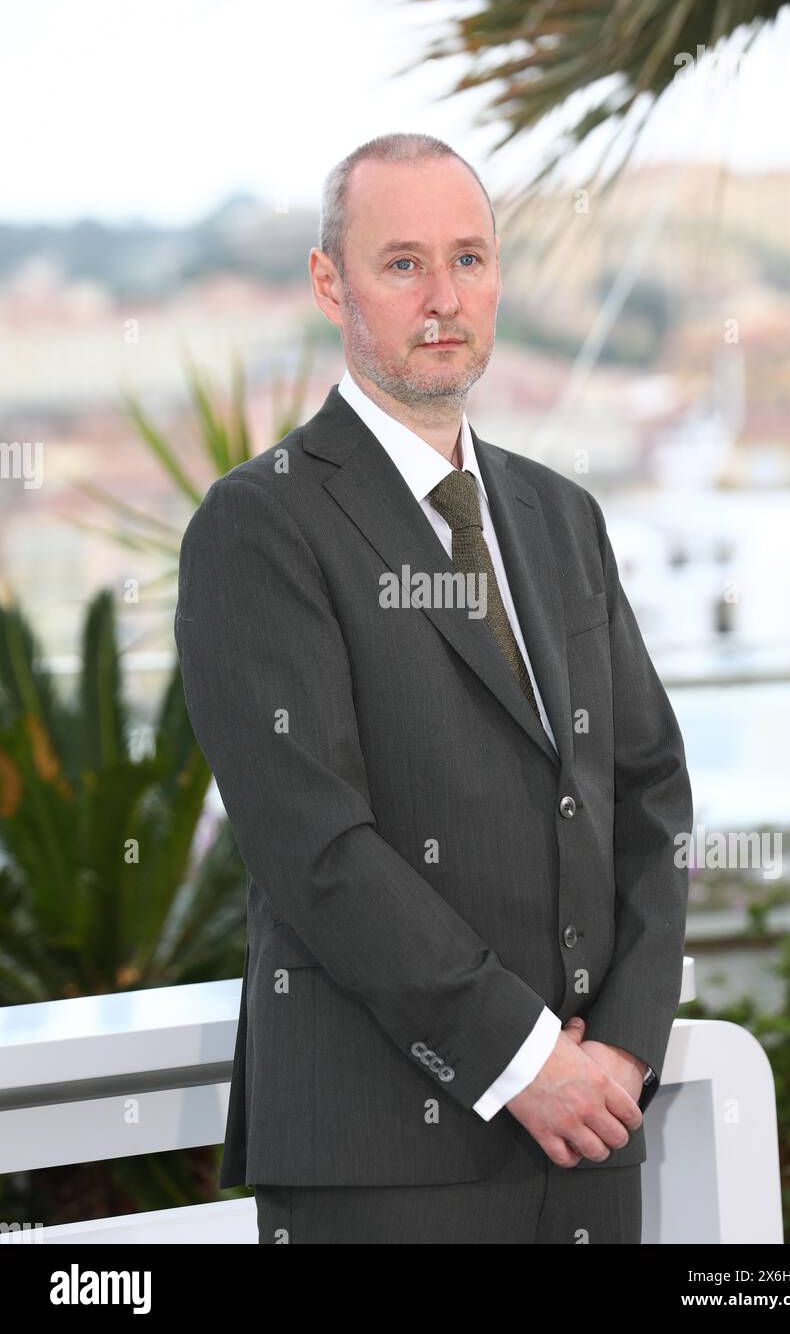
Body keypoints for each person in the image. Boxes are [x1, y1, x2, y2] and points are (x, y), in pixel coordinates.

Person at [174, 132, 693, 1244]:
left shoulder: (562, 516)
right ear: (330, 282)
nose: (443, 297)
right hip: (383, 1163)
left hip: (591, 1138)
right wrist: (522, 1060)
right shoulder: (256, 527)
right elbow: (318, 851)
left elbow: (648, 789)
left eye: (468, 257)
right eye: (401, 263)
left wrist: (621, 1051)